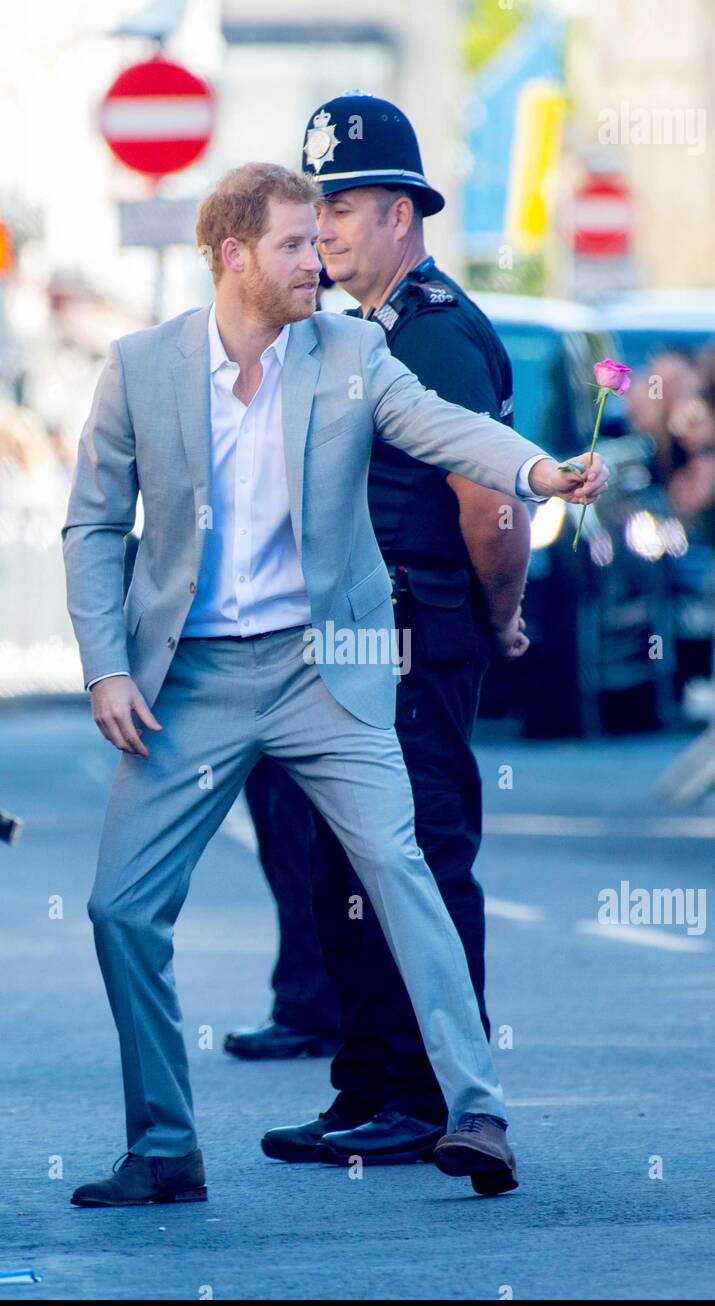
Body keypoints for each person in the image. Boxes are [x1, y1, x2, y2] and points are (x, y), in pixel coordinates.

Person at [61, 162, 606, 1208]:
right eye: (295, 245)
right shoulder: (139, 369)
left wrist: (536, 471)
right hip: (196, 676)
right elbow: (91, 525)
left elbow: (444, 428)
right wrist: (105, 666)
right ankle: (165, 1145)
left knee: (400, 868)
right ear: (231, 255)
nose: (320, 261)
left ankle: (477, 1108)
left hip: (330, 663)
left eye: (321, 240)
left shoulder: (354, 351)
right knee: (120, 907)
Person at [226, 93, 532, 1166]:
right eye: (314, 211)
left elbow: (491, 503)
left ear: (402, 210)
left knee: (422, 858)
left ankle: (430, 1094)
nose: (326, 231)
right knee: (342, 867)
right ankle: (371, 1087)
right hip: (353, 640)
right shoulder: (367, 331)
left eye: (342, 206)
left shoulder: (436, 329)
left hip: (413, 632)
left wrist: (498, 619)